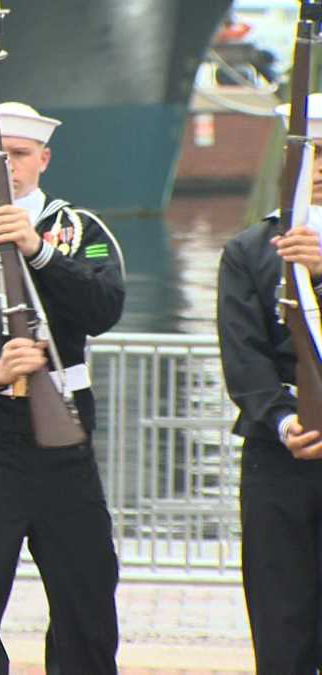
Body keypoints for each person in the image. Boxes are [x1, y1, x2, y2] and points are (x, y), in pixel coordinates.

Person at [0, 101, 125, 674]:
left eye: (19, 154)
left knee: (87, 608)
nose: (7, 166)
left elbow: (105, 306)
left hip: (68, 448)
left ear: (43, 159)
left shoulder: (81, 232)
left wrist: (39, 251)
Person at [217, 93, 322, 674]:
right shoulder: (250, 251)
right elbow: (244, 359)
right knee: (281, 627)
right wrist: (286, 422)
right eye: (311, 152)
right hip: (278, 457)